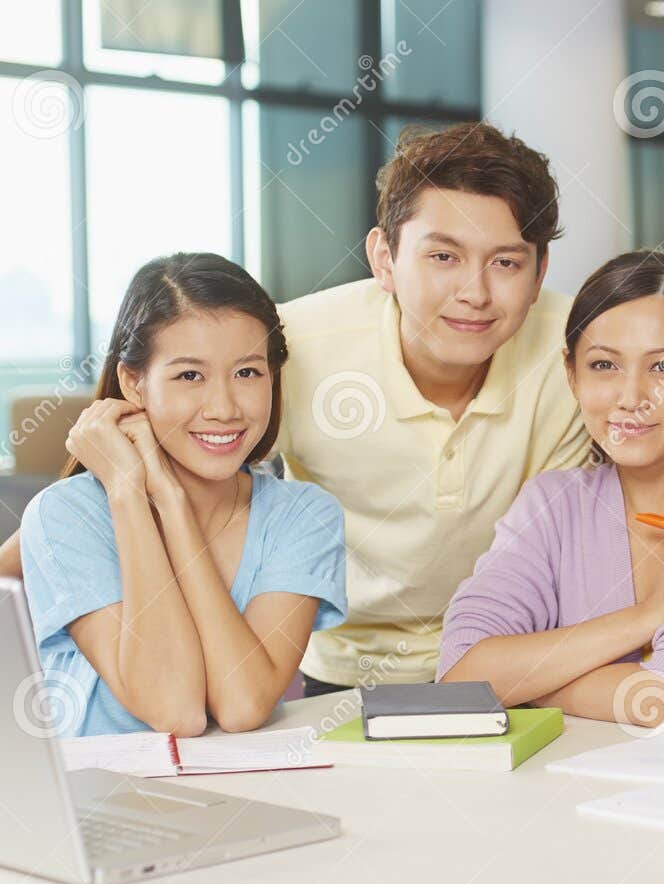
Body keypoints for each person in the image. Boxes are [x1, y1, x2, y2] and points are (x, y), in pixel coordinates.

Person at [0, 123, 589, 698]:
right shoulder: (290, 346)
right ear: (384, 257)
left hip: (507, 661)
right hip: (337, 668)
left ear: (539, 274)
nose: (475, 292)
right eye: (443, 257)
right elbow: (149, 463)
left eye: (506, 263)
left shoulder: (585, 353)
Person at [436, 251, 664, 725]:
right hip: (552, 787)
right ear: (572, 375)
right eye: (604, 366)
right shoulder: (550, 503)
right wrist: (652, 613)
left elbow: (660, 700)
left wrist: (520, 686)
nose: (631, 397)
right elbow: (460, 679)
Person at [19, 254, 345, 738]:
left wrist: (171, 504)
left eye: (248, 373)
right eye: (190, 376)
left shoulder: (304, 516)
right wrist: (130, 494)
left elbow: (242, 704)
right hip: (97, 799)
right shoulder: (66, 516)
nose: (224, 408)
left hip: (243, 799)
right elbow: (175, 710)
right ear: (134, 383)